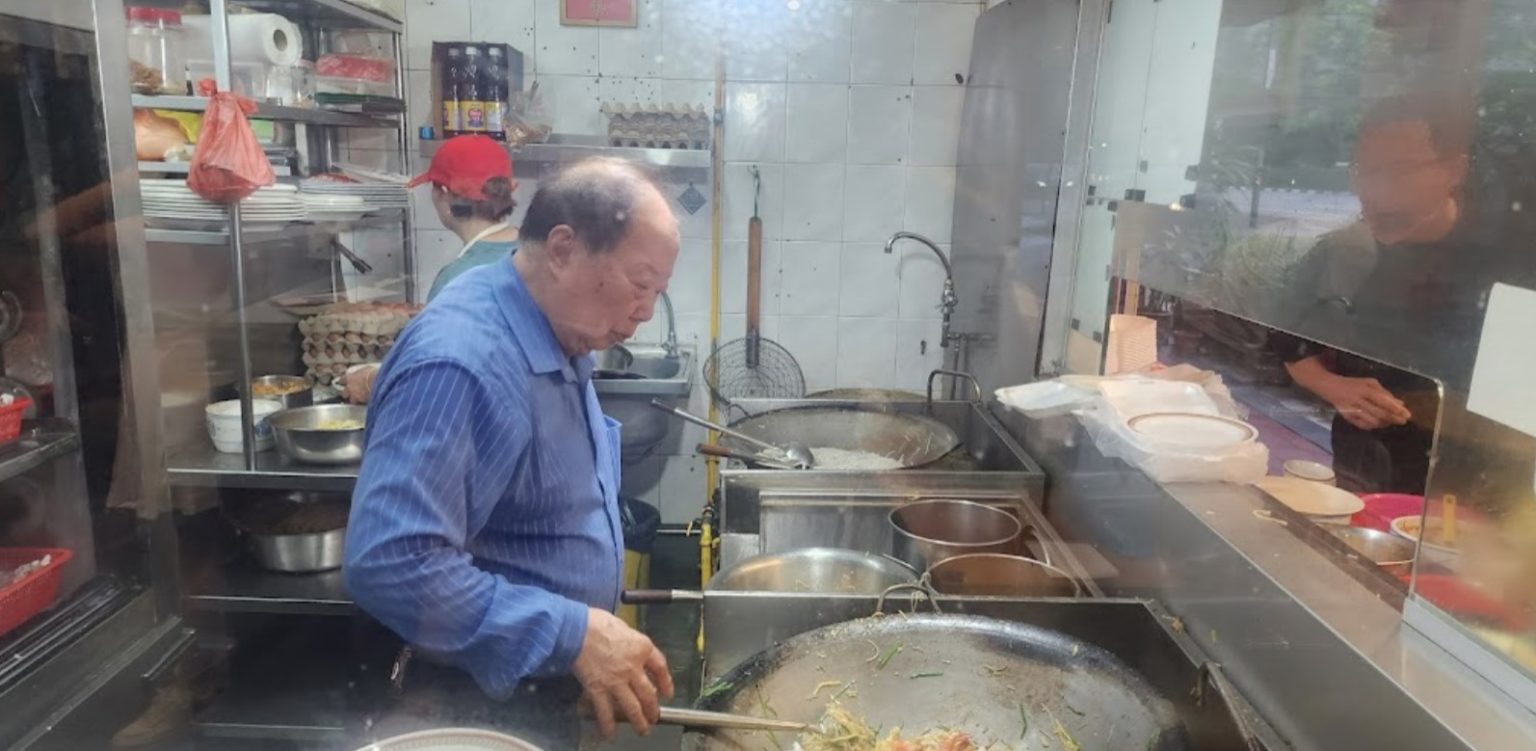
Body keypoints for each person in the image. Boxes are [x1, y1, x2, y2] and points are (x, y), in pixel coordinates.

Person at [344, 157, 680, 747]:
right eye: (640, 284)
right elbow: (391, 562)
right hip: (469, 704)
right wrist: (572, 634)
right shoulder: (461, 361)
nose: (646, 311)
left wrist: (576, 643)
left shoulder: (557, 327)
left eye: (657, 292)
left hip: (531, 691)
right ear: (563, 249)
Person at [1277, 95, 1511, 493]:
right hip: (1359, 466)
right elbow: (1286, 345)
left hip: (1469, 487)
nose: (1377, 191)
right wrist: (1336, 388)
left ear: (1454, 170)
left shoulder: (1504, 259)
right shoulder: (1344, 250)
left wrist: (1426, 410)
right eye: (1365, 172)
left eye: (1399, 171)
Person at [341, 134, 520, 403]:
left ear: (443, 194)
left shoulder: (459, 280)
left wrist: (370, 382)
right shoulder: (530, 250)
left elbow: (436, 376)